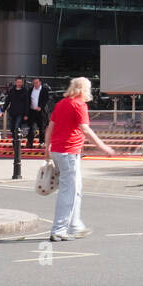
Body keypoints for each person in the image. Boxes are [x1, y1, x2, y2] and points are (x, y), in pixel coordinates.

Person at [45, 77, 115, 241]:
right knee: (69, 191)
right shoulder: (79, 105)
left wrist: (46, 149)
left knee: (75, 189)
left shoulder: (61, 104)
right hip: (69, 152)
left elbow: (50, 128)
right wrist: (103, 147)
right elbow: (85, 129)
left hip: (57, 150)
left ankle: (75, 225)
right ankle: (59, 229)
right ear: (83, 90)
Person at [3, 75, 31, 179]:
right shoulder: (12, 90)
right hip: (12, 112)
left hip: (20, 112)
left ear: (22, 83)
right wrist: (4, 109)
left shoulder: (25, 91)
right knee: (12, 128)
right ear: (15, 82)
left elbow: (27, 103)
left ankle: (16, 145)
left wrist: (26, 114)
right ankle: (15, 142)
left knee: (16, 128)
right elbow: (8, 100)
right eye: (17, 82)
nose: (19, 83)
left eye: (20, 82)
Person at [26, 76, 52, 150]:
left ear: (40, 83)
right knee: (32, 128)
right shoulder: (31, 90)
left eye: (37, 82)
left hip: (41, 112)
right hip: (32, 111)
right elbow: (28, 100)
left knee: (42, 127)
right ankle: (30, 142)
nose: (35, 84)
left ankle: (42, 142)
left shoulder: (44, 90)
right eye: (34, 83)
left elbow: (46, 99)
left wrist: (40, 106)